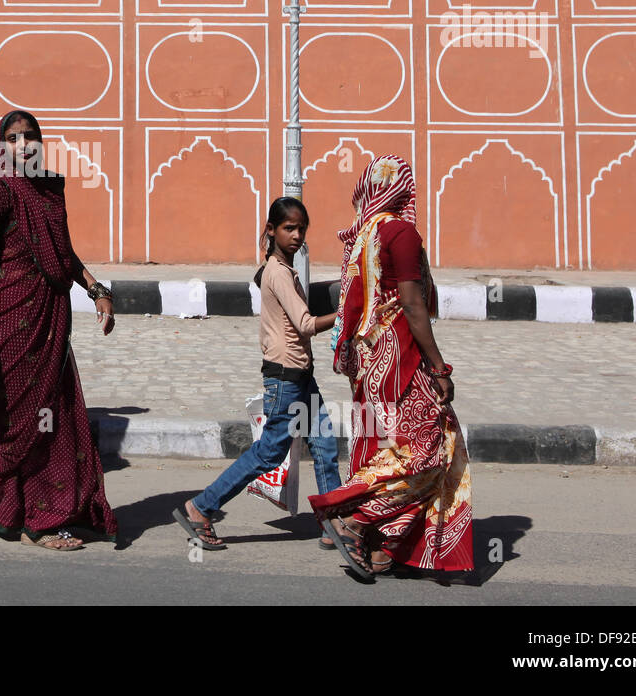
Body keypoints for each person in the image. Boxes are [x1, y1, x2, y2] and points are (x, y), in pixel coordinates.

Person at [0, 110, 118, 550]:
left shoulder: (47, 190)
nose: (22, 145)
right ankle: (34, 521)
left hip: (51, 320)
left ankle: (12, 491)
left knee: (56, 419)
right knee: (27, 423)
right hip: (12, 322)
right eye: (11, 138)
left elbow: (62, 252)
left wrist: (96, 288)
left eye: (30, 136)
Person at [310, 155, 473, 582]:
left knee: (385, 445)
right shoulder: (400, 232)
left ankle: (384, 547)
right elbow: (413, 305)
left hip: (369, 361)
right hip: (400, 358)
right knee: (432, 447)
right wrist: (440, 366)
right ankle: (355, 518)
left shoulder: (365, 233)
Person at [172, 197, 339, 549]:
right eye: (288, 228)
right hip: (285, 379)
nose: (296, 235)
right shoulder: (278, 272)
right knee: (268, 453)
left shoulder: (283, 269)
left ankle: (333, 522)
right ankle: (201, 507)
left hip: (300, 376)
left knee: (324, 445)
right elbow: (306, 325)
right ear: (272, 230)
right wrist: (347, 315)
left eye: (301, 229)